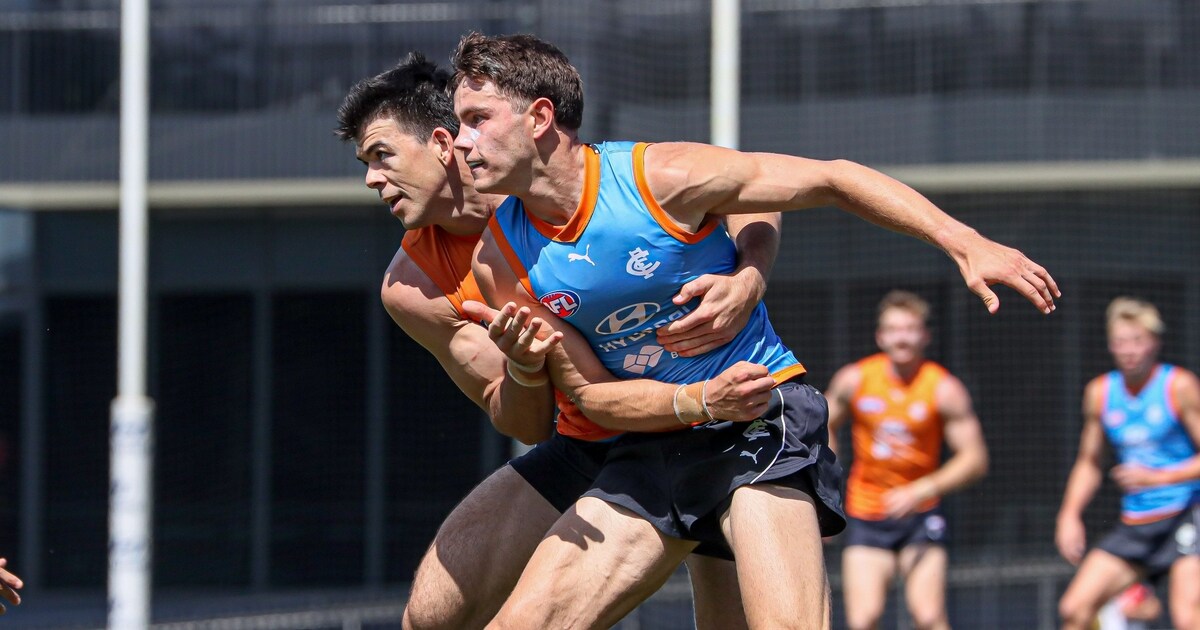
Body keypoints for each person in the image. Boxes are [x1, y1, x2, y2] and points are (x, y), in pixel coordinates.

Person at [450, 32, 1058, 629]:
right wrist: (695, 399)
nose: (462, 143)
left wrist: (963, 242)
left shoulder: (656, 177)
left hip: (758, 421)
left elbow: (831, 179)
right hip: (653, 439)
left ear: (538, 117)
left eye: (477, 119)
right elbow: (589, 395)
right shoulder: (499, 259)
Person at [335, 52, 784, 630]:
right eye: (364, 163)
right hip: (591, 441)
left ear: (444, 143)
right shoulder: (412, 288)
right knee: (430, 617)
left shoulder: (547, 179)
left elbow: (757, 186)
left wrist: (749, 274)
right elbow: (521, 421)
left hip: (705, 421)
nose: (371, 178)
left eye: (382, 155)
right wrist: (524, 370)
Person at [824, 290, 989, 630]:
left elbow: (975, 458)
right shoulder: (855, 379)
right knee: (864, 618)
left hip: (921, 515)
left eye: (910, 329)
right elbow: (820, 422)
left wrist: (920, 490)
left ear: (924, 336)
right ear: (880, 336)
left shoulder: (943, 388)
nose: (902, 338)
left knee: (928, 617)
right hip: (867, 512)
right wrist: (828, 481)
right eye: (894, 330)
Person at [1057, 297, 1200, 630]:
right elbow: (1089, 463)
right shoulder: (1101, 393)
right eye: (1121, 342)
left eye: (1138, 340)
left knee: (1187, 617)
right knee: (1074, 608)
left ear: (1155, 343)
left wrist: (1161, 477)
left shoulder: (1179, 386)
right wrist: (1069, 514)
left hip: (1186, 516)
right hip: (1137, 522)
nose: (1129, 350)